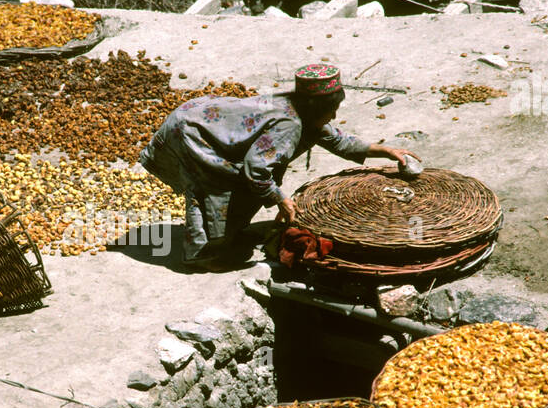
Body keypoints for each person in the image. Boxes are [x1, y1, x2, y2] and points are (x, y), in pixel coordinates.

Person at [137, 63, 419, 271]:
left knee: (234, 188)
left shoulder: (303, 111)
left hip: (200, 117)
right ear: (315, 107)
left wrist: (383, 150)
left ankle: (221, 238)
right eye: (331, 110)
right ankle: (201, 254)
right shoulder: (290, 124)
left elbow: (338, 141)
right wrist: (280, 199)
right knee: (214, 187)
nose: (334, 116)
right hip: (194, 132)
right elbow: (256, 170)